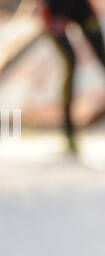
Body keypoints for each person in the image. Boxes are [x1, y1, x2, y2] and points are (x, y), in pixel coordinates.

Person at [37, 0, 105, 153]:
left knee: (102, 57)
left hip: (80, 8)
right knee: (70, 61)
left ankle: (69, 131)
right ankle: (69, 130)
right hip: (54, 11)